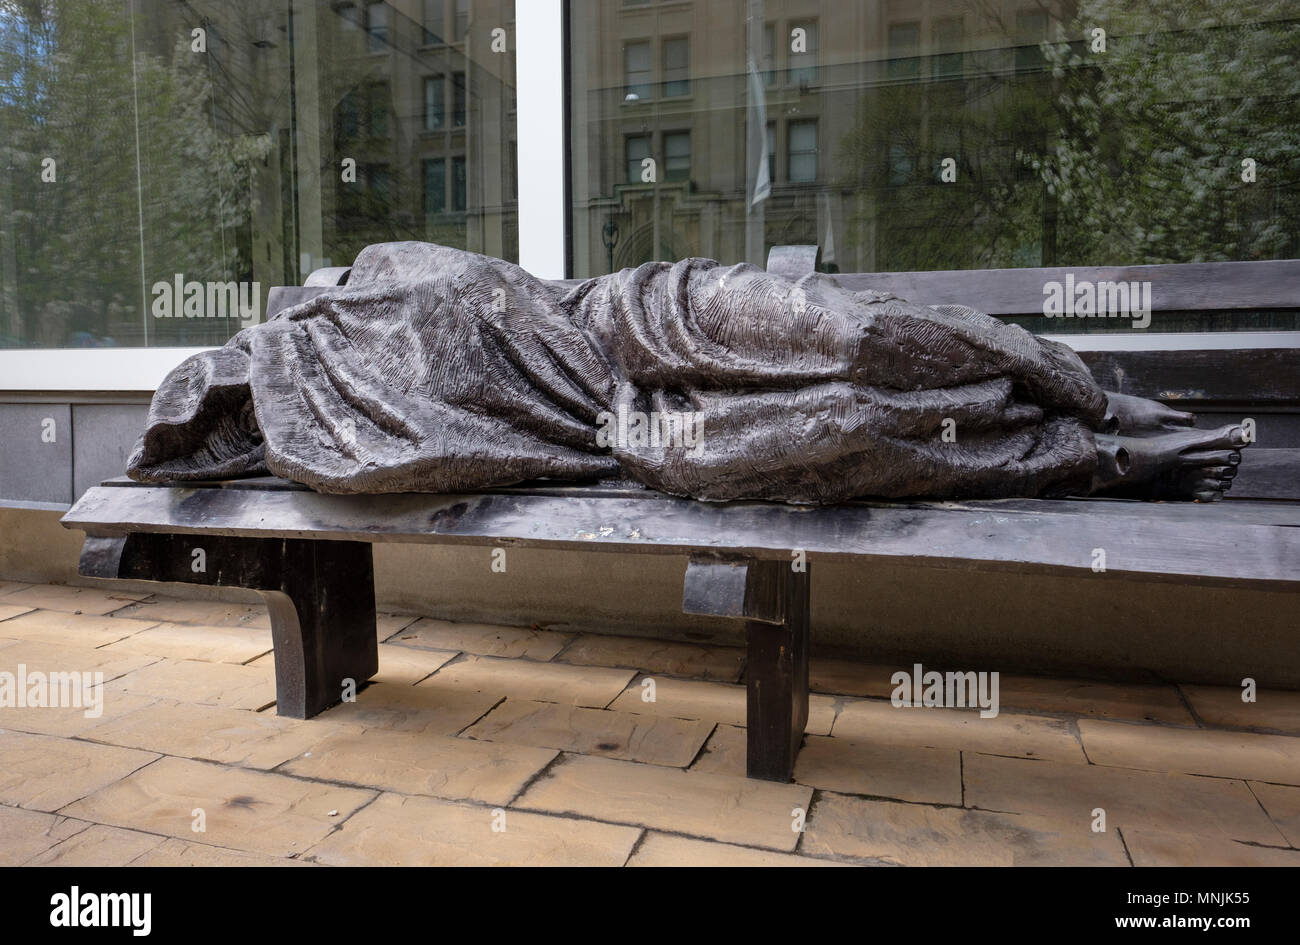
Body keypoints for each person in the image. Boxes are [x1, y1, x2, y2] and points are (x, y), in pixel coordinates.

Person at [127, 242, 1245, 504]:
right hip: (628, 427)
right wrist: (609, 440)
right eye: (218, 438)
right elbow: (483, 454)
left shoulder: (362, 283)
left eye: (220, 414)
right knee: (829, 424)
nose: (232, 435)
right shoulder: (330, 449)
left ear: (235, 370)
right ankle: (1094, 458)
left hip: (634, 312)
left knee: (849, 338)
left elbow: (488, 290)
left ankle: (1093, 395)